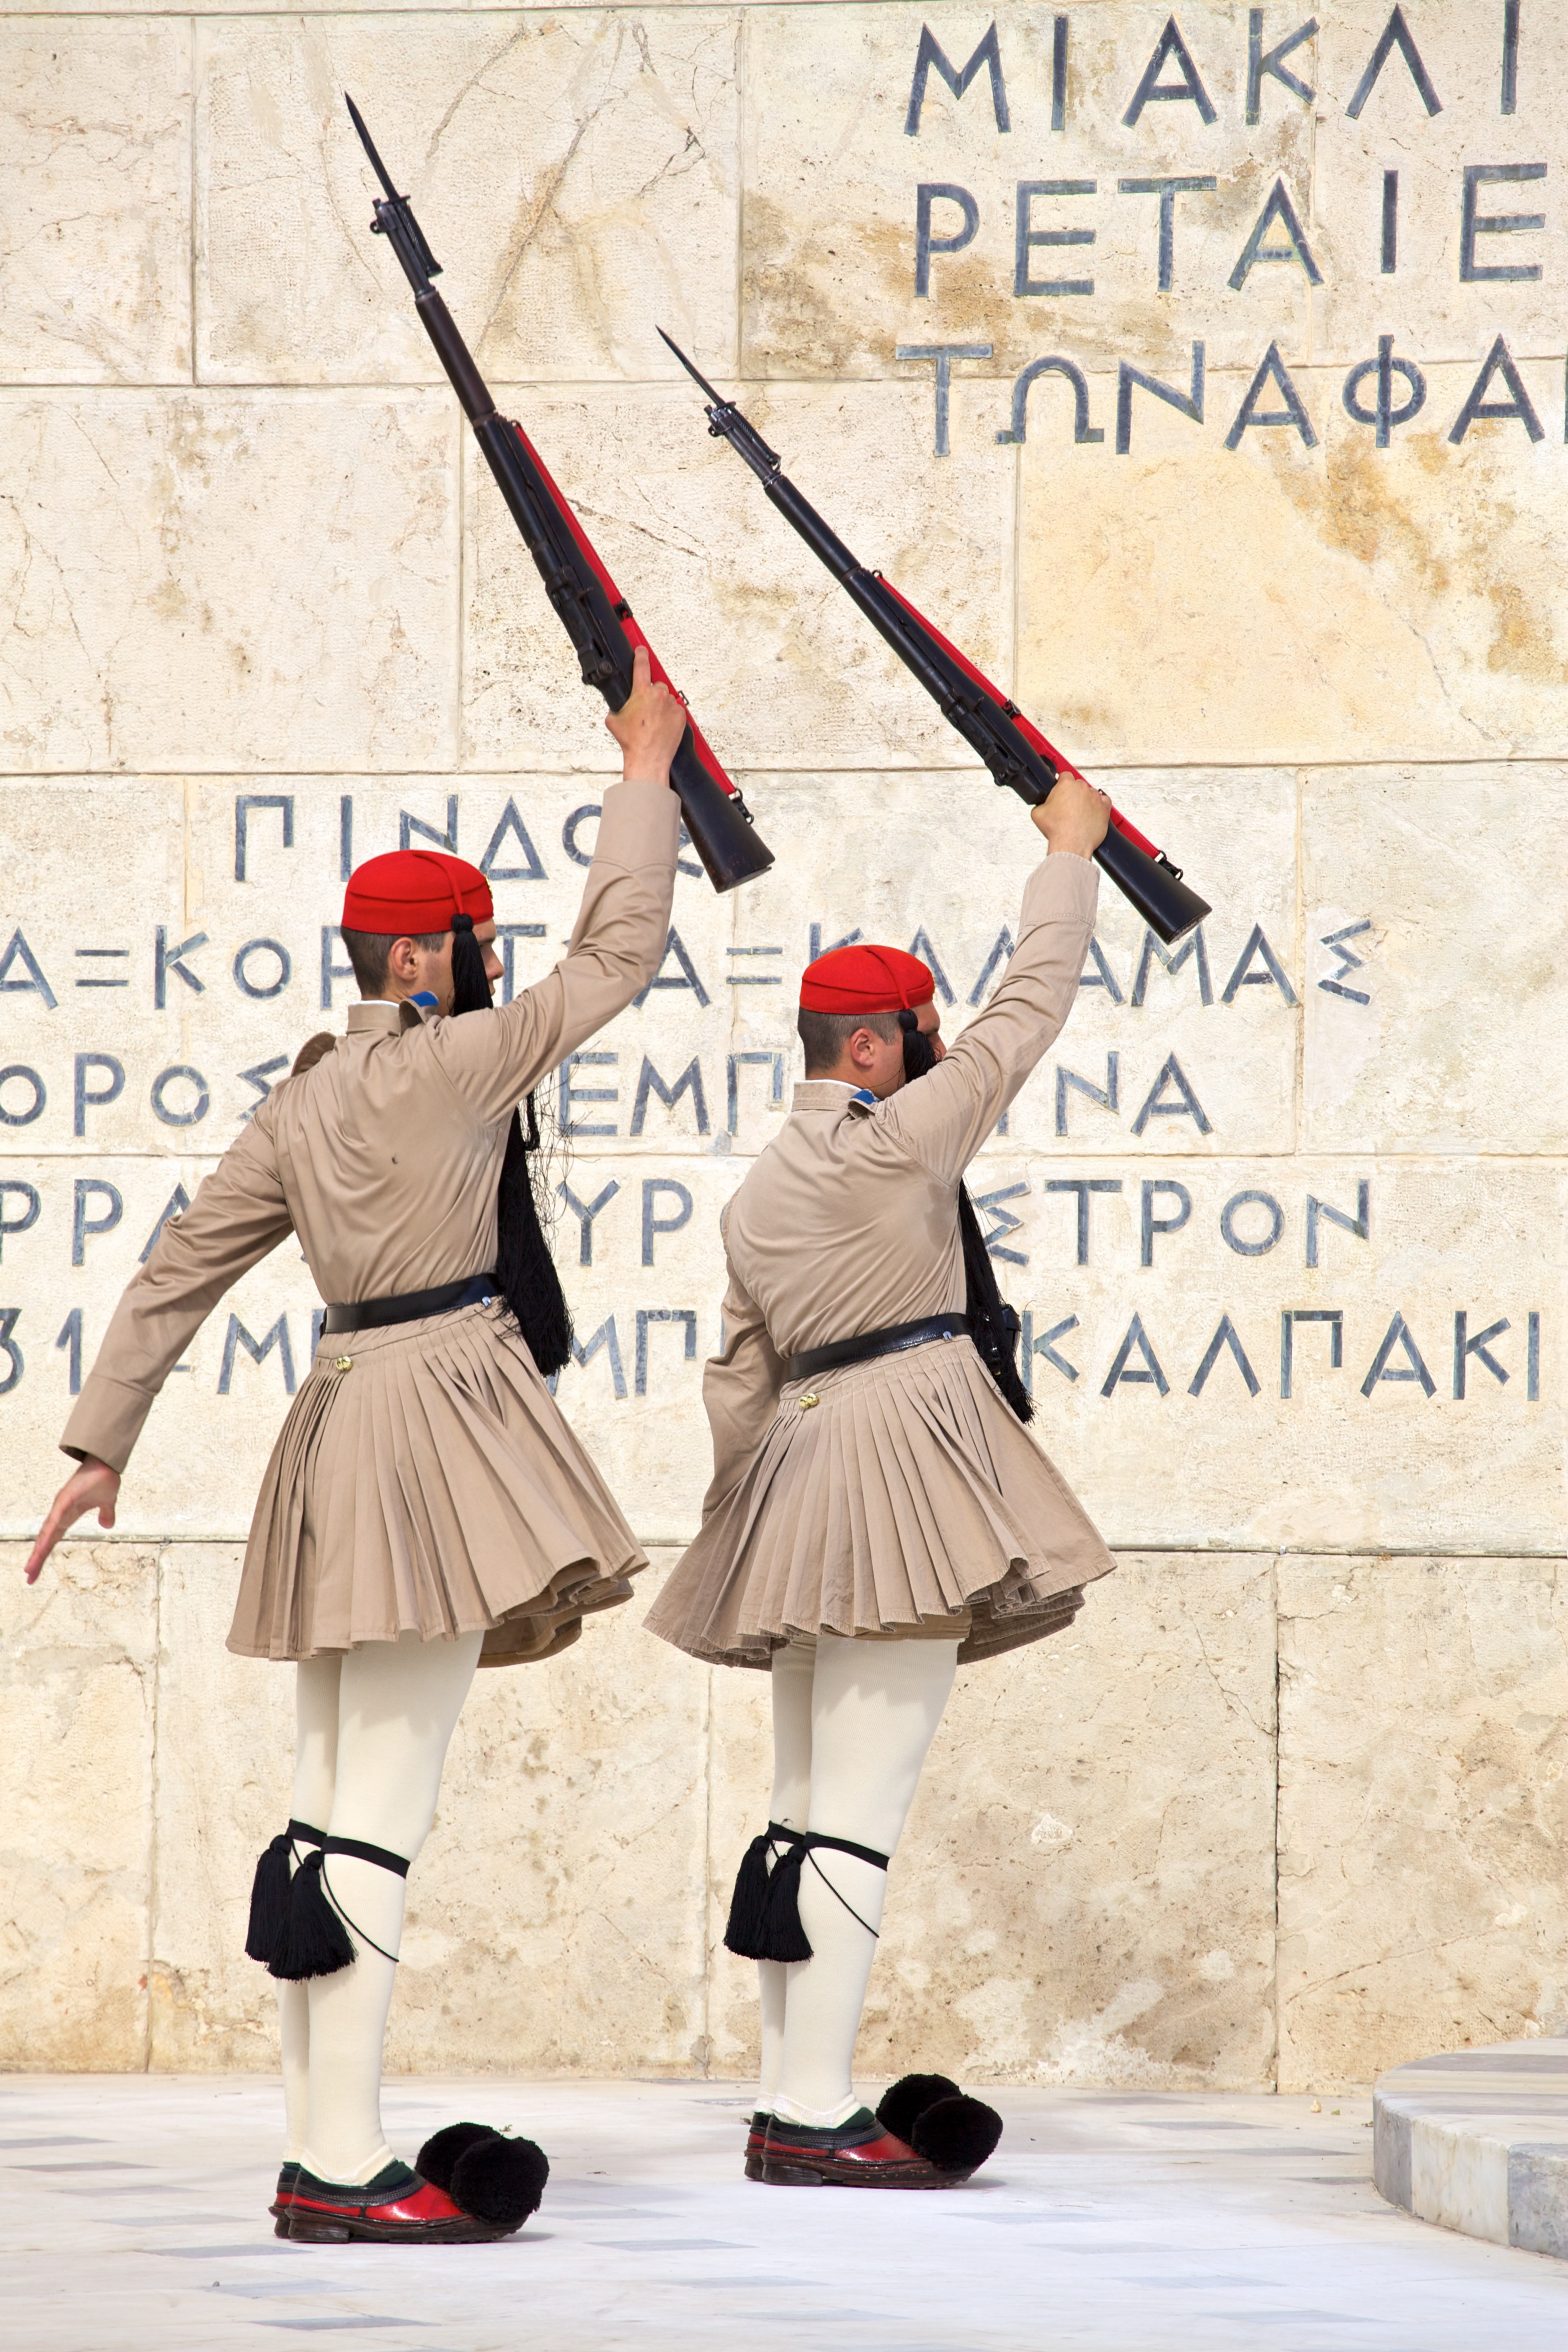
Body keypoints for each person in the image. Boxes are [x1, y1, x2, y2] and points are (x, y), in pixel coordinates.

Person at [25, 649, 686, 2243]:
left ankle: (320, 2144)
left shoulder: (298, 1107)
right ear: (421, 957)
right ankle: (345, 2167)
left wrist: (101, 1442)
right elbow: (618, 953)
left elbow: (177, 1268)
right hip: (434, 1421)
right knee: (378, 1810)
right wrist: (644, 775)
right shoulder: (456, 1061)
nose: (489, 966)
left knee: (330, 1808)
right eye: (471, 945)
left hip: (334, 1429)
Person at [645, 771, 1115, 2189]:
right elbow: (1029, 1009)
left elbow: (737, 1381)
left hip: (793, 1478)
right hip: (903, 1469)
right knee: (859, 1809)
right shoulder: (900, 1137)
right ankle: (812, 2116)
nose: (938, 1053)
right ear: (869, 1043)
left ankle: (786, 2090)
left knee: (801, 1807)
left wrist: (748, 1525)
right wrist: (1069, 854)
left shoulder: (757, 1192)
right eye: (919, 1035)